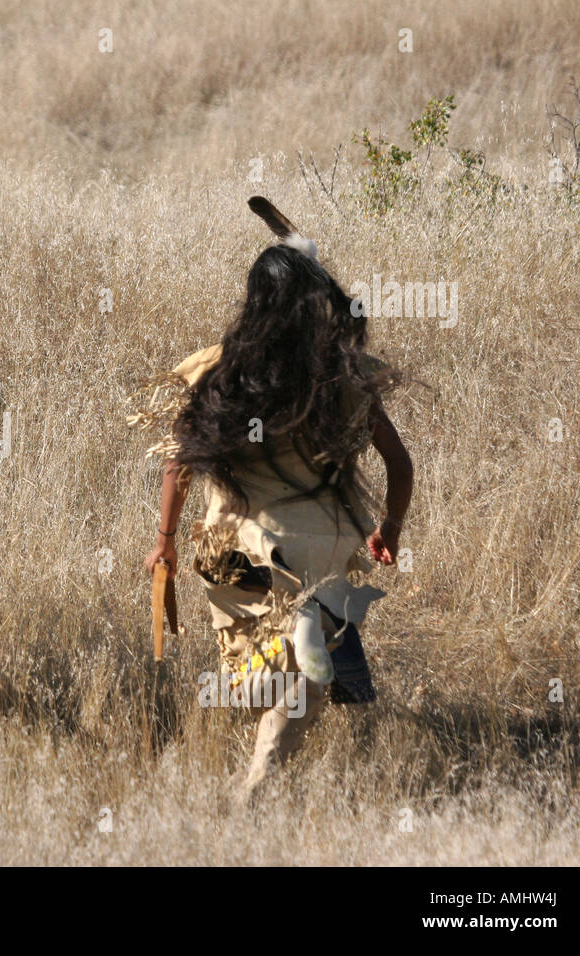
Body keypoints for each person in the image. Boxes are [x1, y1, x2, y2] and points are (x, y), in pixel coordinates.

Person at [141, 226, 413, 797]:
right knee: (301, 682)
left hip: (237, 549)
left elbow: (176, 466)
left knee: (259, 683)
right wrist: (388, 528)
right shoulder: (344, 373)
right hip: (322, 548)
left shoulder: (214, 369)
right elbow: (400, 464)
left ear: (253, 299)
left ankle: (259, 778)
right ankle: (262, 771)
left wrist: (164, 541)